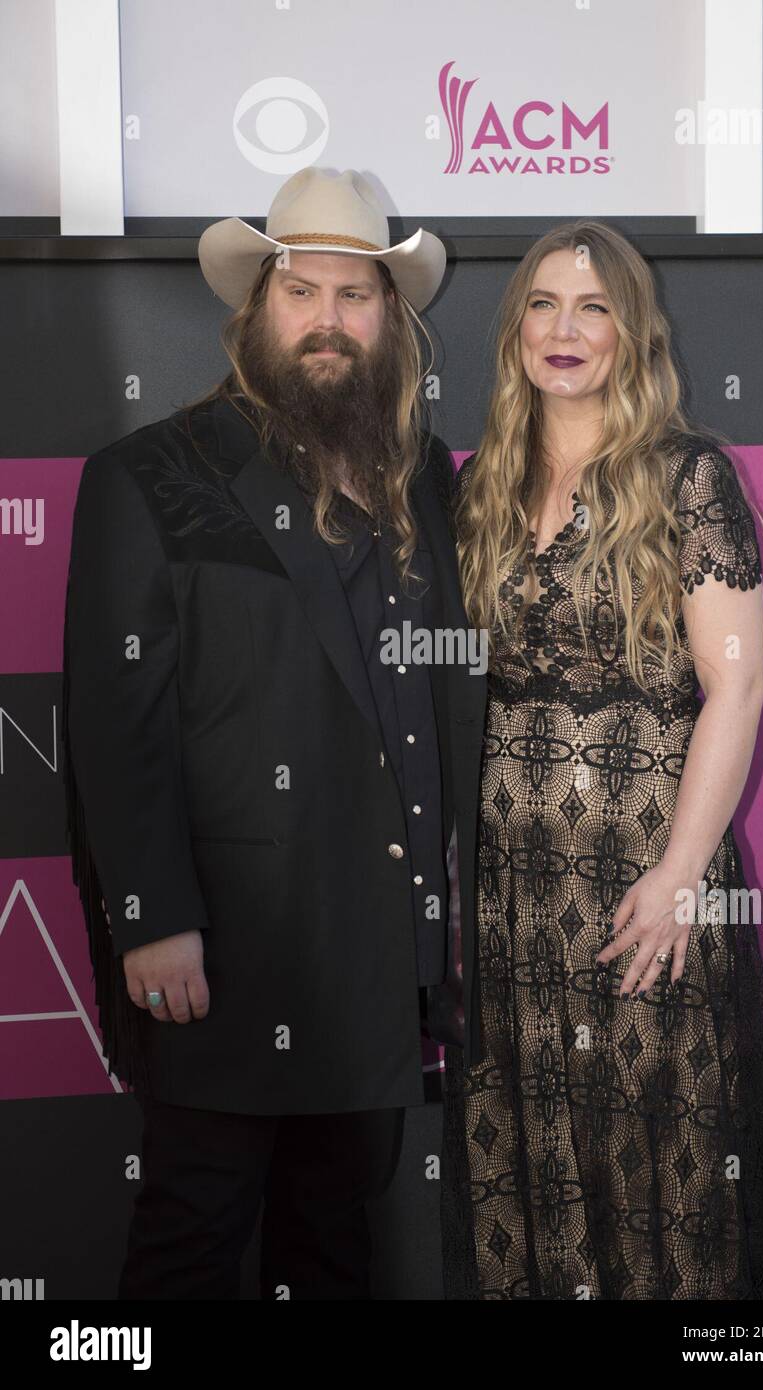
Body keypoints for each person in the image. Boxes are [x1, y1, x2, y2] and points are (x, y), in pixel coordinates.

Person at [61, 167, 487, 1300]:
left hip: (374, 965)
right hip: (222, 955)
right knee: (189, 1243)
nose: (330, 320)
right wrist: (152, 918)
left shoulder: (424, 484)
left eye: (358, 296)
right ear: (256, 309)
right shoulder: (152, 475)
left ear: (390, 320)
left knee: (336, 1248)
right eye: (305, 292)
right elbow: (117, 720)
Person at [439, 219, 763, 1300]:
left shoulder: (684, 477)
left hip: (645, 879)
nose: (566, 328)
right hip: (516, 894)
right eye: (545, 305)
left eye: (594, 307)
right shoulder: (479, 487)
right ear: (515, 328)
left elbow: (736, 683)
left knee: (662, 1164)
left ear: (631, 333)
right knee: (533, 1159)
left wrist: (680, 875)